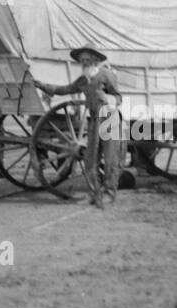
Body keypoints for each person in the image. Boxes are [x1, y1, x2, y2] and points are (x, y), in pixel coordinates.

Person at [33, 46, 123, 207]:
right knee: (90, 160)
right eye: (82, 60)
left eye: (87, 60)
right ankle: (94, 194)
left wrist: (107, 98)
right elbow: (65, 89)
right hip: (94, 120)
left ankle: (109, 192)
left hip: (109, 119)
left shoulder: (106, 75)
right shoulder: (83, 80)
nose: (84, 63)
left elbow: (118, 97)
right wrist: (44, 86)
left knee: (110, 159)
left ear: (96, 60)